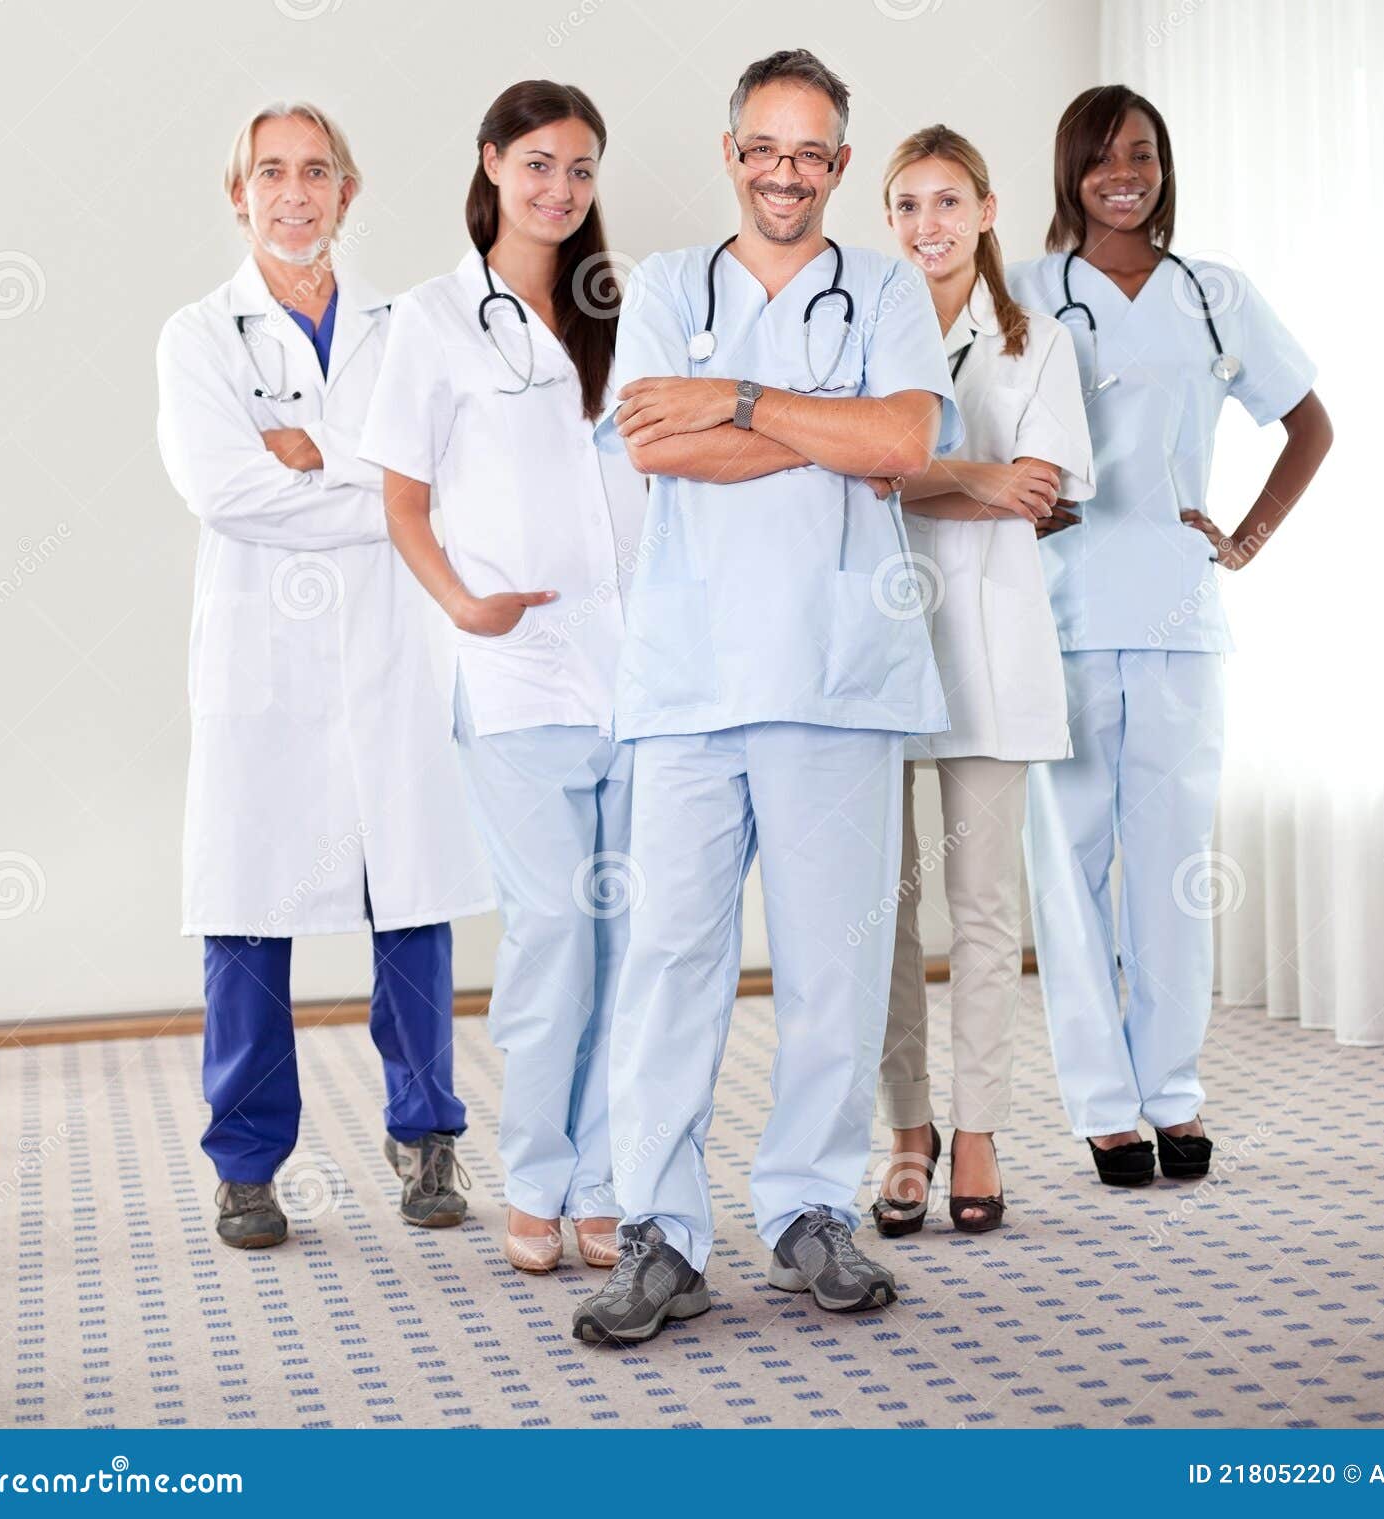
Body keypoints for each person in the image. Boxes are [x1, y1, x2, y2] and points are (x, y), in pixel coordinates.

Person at [571, 49, 962, 1346]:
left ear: (839, 165)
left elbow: (906, 442)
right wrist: (824, 426)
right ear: (731, 153)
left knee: (830, 963)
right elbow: (653, 443)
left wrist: (736, 400)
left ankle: (808, 1212)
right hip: (688, 675)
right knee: (669, 962)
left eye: (809, 153)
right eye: (763, 148)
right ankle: (660, 1232)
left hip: (837, 674)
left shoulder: (887, 285)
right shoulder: (668, 285)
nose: (784, 173)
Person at [156, 102, 495, 1249]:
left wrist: (319, 459)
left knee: (411, 899)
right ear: (237, 194)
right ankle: (248, 1164)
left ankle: (427, 1133)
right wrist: (383, 490)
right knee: (248, 911)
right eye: (271, 172)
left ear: (348, 192)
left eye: (316, 171)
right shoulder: (199, 337)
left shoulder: (409, 330)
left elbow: (448, 478)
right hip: (265, 665)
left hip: (395, 654)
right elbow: (226, 492)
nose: (294, 193)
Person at [1010, 86, 1333, 1186]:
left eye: (1141, 154)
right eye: (1102, 157)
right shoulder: (1027, 291)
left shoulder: (1213, 292)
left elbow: (1309, 423)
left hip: (1182, 617)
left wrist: (1244, 539)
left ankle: (1174, 1093)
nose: (1124, 175)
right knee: (1070, 871)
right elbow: (970, 428)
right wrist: (1017, 506)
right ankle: (1104, 1108)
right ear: (1071, 170)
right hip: (1061, 615)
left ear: (1163, 166)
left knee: (1173, 869)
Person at [359, 81, 644, 1274]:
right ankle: (537, 1172)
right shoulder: (433, 318)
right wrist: (463, 605)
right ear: (491, 164)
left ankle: (605, 1179)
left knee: (631, 939)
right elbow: (402, 499)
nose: (558, 190)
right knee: (553, 933)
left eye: (579, 169)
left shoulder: (622, 308)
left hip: (639, 675)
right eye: (537, 164)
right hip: (517, 674)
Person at [872, 125, 1093, 1237]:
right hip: (878, 646)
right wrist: (978, 478)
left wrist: (923, 474)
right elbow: (857, 471)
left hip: (995, 650)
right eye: (908, 205)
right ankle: (906, 1127)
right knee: (884, 908)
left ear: (988, 210)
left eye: (948, 201)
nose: (929, 225)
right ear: (889, 221)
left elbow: (1038, 491)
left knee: (987, 908)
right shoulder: (863, 330)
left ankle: (978, 1133)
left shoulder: (1036, 342)